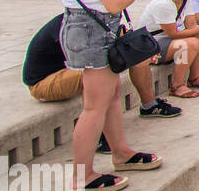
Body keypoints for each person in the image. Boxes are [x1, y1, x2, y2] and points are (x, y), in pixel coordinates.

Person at [58, 0, 163, 191]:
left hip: (77, 27)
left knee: (112, 95)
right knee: (94, 107)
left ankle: (121, 152)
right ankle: (83, 176)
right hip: (95, 31)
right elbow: (115, 3)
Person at [23, 13, 182, 116]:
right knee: (99, 71)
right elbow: (89, 59)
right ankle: (97, 133)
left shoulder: (97, 20)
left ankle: (149, 105)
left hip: (68, 72)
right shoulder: (71, 24)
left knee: (136, 56)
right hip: (43, 83)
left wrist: (143, 54)